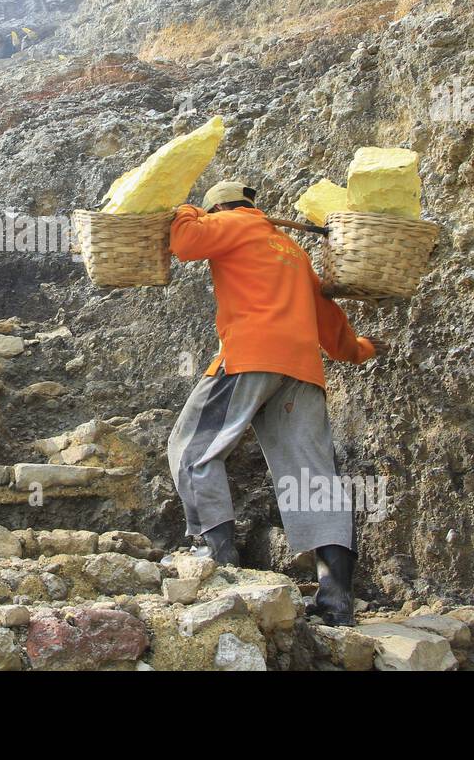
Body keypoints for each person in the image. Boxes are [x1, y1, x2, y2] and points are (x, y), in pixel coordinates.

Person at [166, 180, 387, 626]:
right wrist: (361, 348)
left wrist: (185, 210)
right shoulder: (291, 249)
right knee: (312, 477)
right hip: (302, 372)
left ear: (222, 207)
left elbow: (185, 243)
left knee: (191, 449)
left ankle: (218, 556)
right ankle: (336, 598)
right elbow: (330, 324)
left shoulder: (230, 222)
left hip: (250, 357)